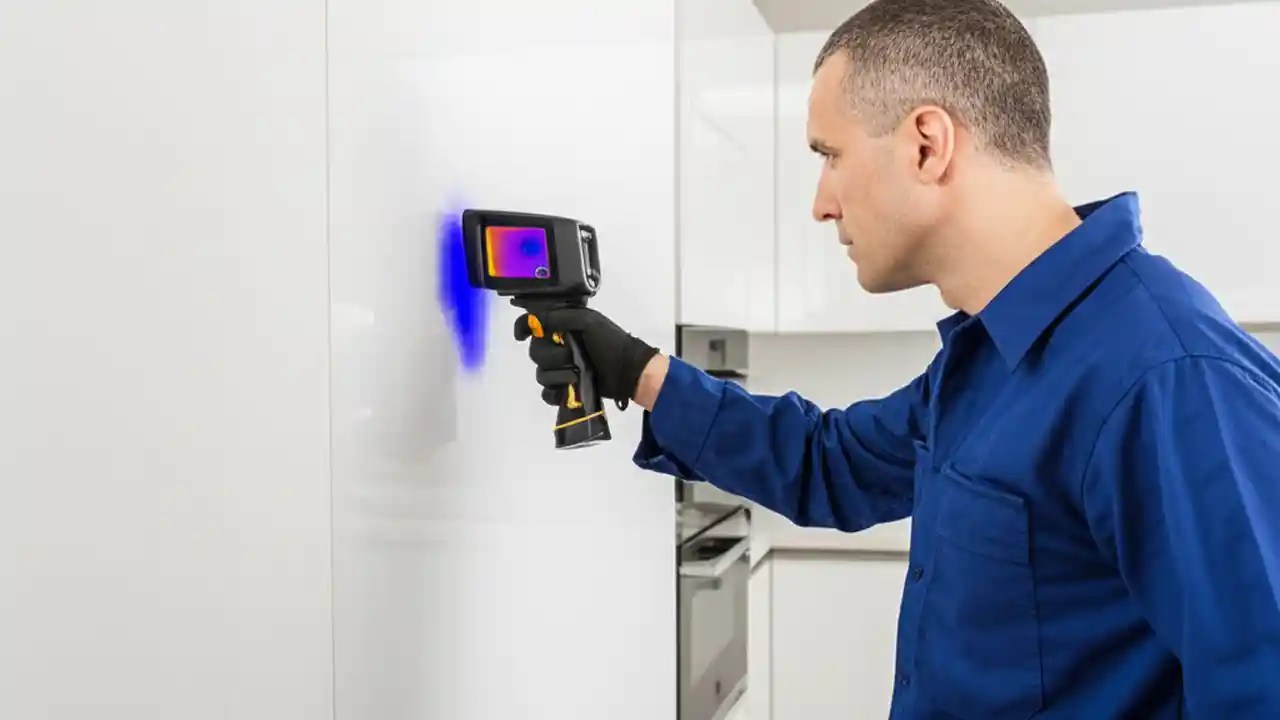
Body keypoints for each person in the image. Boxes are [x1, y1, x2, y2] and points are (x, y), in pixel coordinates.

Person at [516, 0, 1280, 717]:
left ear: (926, 144)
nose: (820, 202)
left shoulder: (1170, 378)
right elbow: (833, 464)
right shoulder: (989, 358)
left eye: (830, 156)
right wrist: (638, 371)